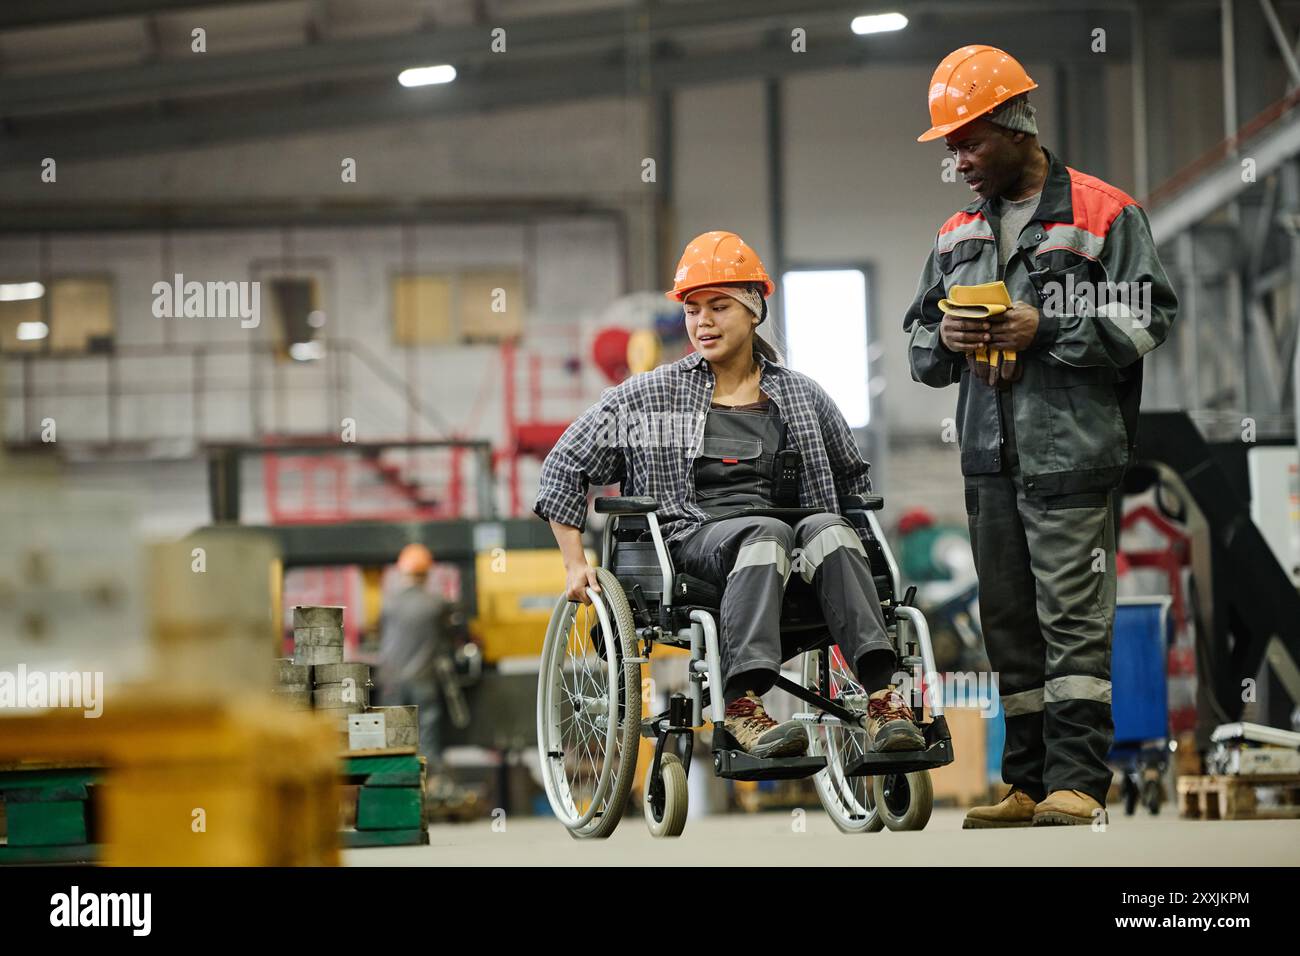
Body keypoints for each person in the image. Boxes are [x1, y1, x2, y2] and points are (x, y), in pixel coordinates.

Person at [906, 45, 1178, 826]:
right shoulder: (957, 233)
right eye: (951, 146)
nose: (958, 161)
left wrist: (1044, 324)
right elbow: (920, 341)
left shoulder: (1103, 214)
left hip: (1072, 455)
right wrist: (948, 341)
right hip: (988, 458)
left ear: (1017, 125)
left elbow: (1147, 315)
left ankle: (1081, 783)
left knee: (1072, 622)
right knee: (1011, 628)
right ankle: (1025, 781)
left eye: (969, 142)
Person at [535, 230, 923, 759]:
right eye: (693, 310)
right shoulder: (651, 396)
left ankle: (882, 697)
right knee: (765, 533)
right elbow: (564, 465)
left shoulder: (802, 395)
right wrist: (573, 562)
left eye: (719, 307)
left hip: (792, 537)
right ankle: (742, 703)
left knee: (831, 528)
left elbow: (853, 481)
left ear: (754, 309)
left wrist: (871, 558)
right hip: (691, 540)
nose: (703, 322)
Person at [376, 543, 449, 770]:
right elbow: (450, 633)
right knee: (426, 733)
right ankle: (430, 782)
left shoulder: (389, 604)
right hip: (423, 679)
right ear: (427, 573)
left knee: (394, 735)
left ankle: (394, 779)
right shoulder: (436, 604)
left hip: (391, 680)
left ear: (401, 572)